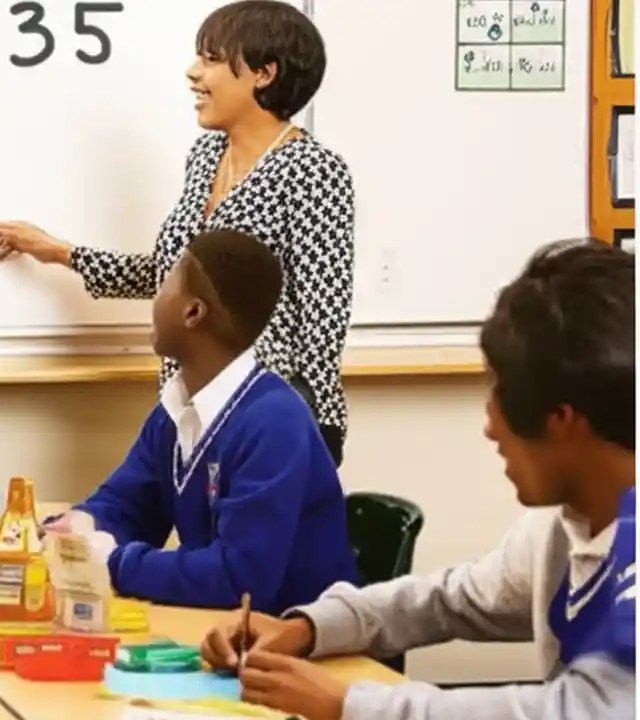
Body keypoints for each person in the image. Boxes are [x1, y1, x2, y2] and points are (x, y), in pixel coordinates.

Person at [200, 240, 636, 719]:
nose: (490, 426)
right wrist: (310, 627)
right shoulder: (564, 527)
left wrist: (349, 705)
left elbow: (583, 711)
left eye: (498, 392)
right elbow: (448, 600)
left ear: (562, 419)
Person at [0, 0, 355, 465]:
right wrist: (56, 251)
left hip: (269, 418)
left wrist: (300, 430)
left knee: (244, 540)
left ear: (264, 73)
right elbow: (171, 274)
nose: (193, 74)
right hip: (191, 405)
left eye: (211, 59)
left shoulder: (313, 171)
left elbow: (324, 321)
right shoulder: (205, 155)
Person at [46, 230, 357, 613]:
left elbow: (240, 580)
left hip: (293, 648)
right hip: (225, 634)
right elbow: (129, 504)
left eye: (165, 286)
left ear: (193, 312)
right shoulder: (176, 409)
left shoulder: (274, 422)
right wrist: (79, 528)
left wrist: (113, 562)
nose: (155, 299)